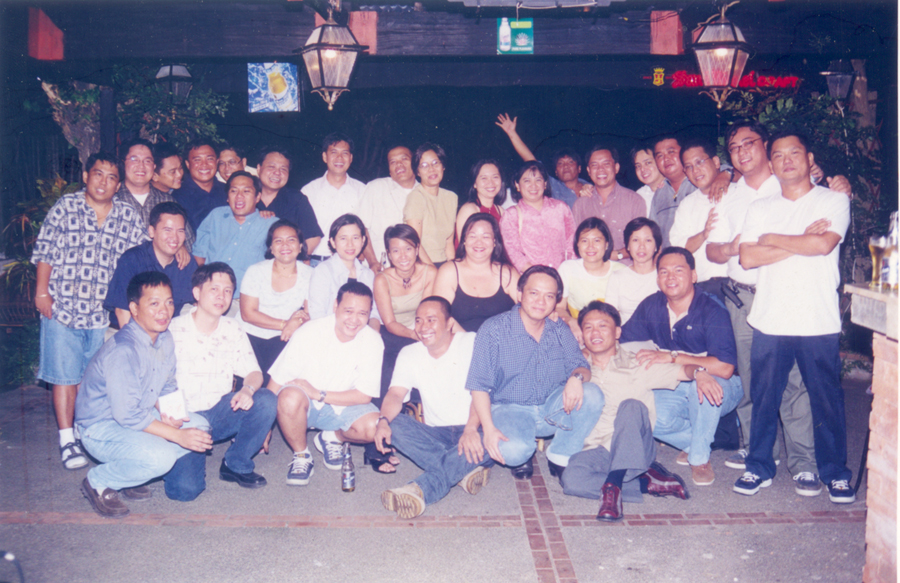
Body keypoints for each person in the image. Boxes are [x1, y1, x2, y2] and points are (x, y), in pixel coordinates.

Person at [707, 121, 850, 490]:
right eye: (779, 156)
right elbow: (749, 258)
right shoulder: (762, 207)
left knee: (825, 401)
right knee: (763, 397)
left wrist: (774, 240)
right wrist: (800, 238)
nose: (786, 161)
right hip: (769, 318)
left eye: (794, 153)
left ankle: (834, 473)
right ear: (771, 163)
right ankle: (759, 466)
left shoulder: (833, 200)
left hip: (817, 318)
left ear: (809, 159)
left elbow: (823, 246)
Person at [32, 152, 147, 470]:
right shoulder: (66, 207)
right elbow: (46, 250)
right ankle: (67, 440)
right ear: (86, 176)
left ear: (118, 184)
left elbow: (141, 254)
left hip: (101, 314)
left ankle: (86, 433)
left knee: (90, 378)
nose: (104, 182)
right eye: (98, 174)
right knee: (63, 376)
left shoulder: (126, 215)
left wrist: (178, 252)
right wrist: (42, 292)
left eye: (112, 178)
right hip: (62, 307)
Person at [74, 272, 212, 518]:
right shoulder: (123, 351)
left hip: (138, 412)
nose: (164, 311)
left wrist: (173, 415)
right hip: (101, 427)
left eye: (169, 302)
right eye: (154, 303)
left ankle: (134, 470)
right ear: (134, 309)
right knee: (163, 456)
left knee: (200, 427)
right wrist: (177, 435)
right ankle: (99, 481)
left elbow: (167, 384)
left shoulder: (164, 337)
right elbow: (127, 415)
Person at [620, 247, 743, 487]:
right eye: (664, 272)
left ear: (694, 276)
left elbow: (725, 368)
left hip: (722, 383)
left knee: (705, 388)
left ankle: (699, 459)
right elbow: (625, 340)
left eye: (678, 270)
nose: (670, 277)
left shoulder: (711, 309)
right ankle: (698, 441)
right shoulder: (652, 305)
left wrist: (672, 356)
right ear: (657, 279)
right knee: (648, 413)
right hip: (677, 381)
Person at [468, 265, 604, 480]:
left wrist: (576, 378)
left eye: (549, 296)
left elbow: (581, 366)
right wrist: (487, 428)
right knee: (511, 453)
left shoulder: (558, 328)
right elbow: (478, 384)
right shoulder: (494, 329)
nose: (541, 302)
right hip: (511, 408)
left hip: (553, 404)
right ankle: (522, 449)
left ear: (555, 301)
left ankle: (560, 453)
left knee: (593, 393)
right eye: (534, 293)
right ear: (520, 294)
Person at [560, 301, 691, 521]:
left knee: (631, 406)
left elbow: (684, 371)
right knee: (571, 480)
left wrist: (701, 372)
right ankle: (647, 482)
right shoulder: (576, 367)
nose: (595, 332)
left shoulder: (638, 362)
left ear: (617, 331)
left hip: (637, 446)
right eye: (589, 327)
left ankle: (611, 491)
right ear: (582, 334)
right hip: (598, 449)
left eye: (603, 326)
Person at [164, 262, 277, 500]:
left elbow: (255, 373)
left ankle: (235, 463)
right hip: (184, 419)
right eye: (214, 289)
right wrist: (174, 428)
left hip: (219, 412)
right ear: (196, 293)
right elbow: (159, 384)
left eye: (227, 291)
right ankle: (161, 455)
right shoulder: (173, 330)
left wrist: (247, 389)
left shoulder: (232, 328)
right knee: (185, 491)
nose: (221, 296)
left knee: (265, 399)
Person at [376, 297, 491, 518]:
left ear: (449, 323)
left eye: (431, 320)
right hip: (435, 433)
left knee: (494, 436)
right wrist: (382, 422)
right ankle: (461, 471)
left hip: (475, 429)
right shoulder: (409, 353)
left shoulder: (471, 342)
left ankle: (419, 490)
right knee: (393, 423)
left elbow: (482, 389)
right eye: (419, 320)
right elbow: (395, 394)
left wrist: (469, 429)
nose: (423, 327)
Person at [267, 281, 384, 486]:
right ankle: (302, 455)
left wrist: (318, 393)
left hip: (342, 405)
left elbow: (364, 395)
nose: (354, 320)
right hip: (304, 404)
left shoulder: (373, 341)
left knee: (375, 427)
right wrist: (264, 426)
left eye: (362, 313)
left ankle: (332, 437)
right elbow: (278, 378)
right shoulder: (310, 331)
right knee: (288, 396)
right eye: (348, 311)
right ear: (335, 306)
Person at [368, 224, 438, 472]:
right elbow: (390, 322)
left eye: (408, 249)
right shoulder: (382, 279)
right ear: (387, 253)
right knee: (385, 373)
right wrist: (414, 336)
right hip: (397, 334)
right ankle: (376, 447)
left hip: (426, 329)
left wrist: (423, 334)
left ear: (417, 248)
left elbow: (429, 310)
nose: (403, 256)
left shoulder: (430, 272)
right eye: (395, 251)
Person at [238, 220, 313, 386]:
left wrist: (297, 322)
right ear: (271, 248)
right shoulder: (255, 271)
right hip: (250, 335)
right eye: (278, 241)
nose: (285, 245)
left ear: (300, 246)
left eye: (291, 240)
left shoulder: (310, 275)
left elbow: (309, 314)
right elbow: (248, 314)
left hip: (284, 337)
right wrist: (286, 323)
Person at [193, 171, 278, 311]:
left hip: (248, 301)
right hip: (210, 297)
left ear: (258, 197)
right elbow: (199, 254)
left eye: (246, 191)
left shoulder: (271, 224)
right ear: (227, 197)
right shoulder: (216, 216)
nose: (239, 196)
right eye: (234, 191)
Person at [105, 201, 198, 327]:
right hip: (129, 332)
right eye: (168, 230)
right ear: (152, 231)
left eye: (180, 231)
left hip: (168, 333)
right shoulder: (132, 259)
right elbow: (122, 312)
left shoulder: (187, 263)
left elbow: (195, 305)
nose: (174, 237)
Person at [434, 213, 519, 333]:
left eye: (486, 237)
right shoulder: (449, 271)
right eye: (472, 236)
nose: (479, 243)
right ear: (464, 240)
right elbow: (439, 314)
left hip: (502, 344)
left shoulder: (507, 273)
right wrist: (469, 342)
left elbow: (527, 307)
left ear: (495, 242)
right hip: (461, 343)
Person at [669, 139, 730, 302]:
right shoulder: (687, 204)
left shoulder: (736, 192)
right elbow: (679, 249)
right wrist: (704, 234)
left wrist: (729, 173)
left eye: (700, 162)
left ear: (716, 162)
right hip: (701, 288)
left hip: (734, 284)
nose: (695, 170)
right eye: (688, 166)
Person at [115, 138, 194, 252]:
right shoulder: (112, 199)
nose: (141, 166)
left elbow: (189, 242)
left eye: (147, 161)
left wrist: (182, 247)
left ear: (154, 166)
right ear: (123, 163)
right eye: (134, 159)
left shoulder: (167, 201)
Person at [495, 113, 589, 208]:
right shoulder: (553, 186)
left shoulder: (591, 186)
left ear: (579, 168)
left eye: (570, 162)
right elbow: (530, 159)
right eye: (560, 163)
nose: (565, 166)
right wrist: (512, 133)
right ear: (556, 172)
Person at [556, 217, 625, 341]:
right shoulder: (567, 268)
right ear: (577, 244)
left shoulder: (621, 271)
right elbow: (558, 308)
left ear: (606, 244)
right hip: (579, 335)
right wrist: (571, 321)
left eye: (597, 240)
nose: (590, 246)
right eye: (584, 241)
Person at [500, 161, 576, 273]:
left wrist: (568, 270)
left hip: (563, 276)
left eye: (538, 180)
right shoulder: (511, 215)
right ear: (517, 185)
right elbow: (512, 252)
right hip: (531, 279)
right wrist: (535, 274)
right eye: (527, 181)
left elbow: (572, 242)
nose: (533, 185)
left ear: (545, 184)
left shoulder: (561, 208)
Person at [571, 146, 646, 259]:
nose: (600, 169)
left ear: (616, 167)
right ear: (589, 171)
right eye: (594, 165)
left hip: (624, 270)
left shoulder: (635, 200)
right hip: (591, 271)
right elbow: (575, 244)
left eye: (606, 164)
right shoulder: (580, 205)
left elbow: (641, 242)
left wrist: (617, 255)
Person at [302, 133, 366, 265]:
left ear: (351, 158)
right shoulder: (309, 191)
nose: (339, 158)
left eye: (344, 153)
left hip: (352, 262)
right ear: (325, 156)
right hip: (317, 262)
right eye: (334, 152)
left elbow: (367, 229)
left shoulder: (363, 190)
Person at [308, 214, 380, 326]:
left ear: (363, 240)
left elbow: (374, 314)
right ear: (333, 242)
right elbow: (317, 316)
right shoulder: (322, 272)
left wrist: (373, 335)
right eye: (343, 238)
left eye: (355, 238)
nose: (350, 244)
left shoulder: (368, 275)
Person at [355, 145, 419, 270]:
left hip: (418, 272)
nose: (399, 164)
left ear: (415, 164)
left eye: (404, 159)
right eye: (393, 162)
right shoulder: (376, 188)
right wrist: (373, 262)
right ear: (389, 170)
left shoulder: (425, 193)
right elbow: (360, 227)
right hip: (381, 270)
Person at [255, 147, 323, 256]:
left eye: (283, 169)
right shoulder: (246, 196)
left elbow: (313, 237)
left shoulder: (297, 199)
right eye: (271, 167)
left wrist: (294, 261)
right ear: (259, 168)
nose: (277, 172)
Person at [403, 143, 458, 265]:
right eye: (424, 165)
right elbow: (414, 242)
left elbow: (449, 242)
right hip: (422, 264)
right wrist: (432, 270)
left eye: (435, 163)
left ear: (443, 166)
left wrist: (453, 268)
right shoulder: (416, 197)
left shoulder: (451, 197)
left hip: (443, 263)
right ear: (418, 172)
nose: (431, 169)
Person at [605, 217, 663, 325]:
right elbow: (609, 316)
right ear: (628, 246)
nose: (641, 246)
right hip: (626, 338)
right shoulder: (617, 277)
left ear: (656, 246)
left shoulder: (663, 276)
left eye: (648, 240)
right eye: (635, 240)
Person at [173, 140, 225, 232]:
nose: (204, 164)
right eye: (197, 160)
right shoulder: (178, 197)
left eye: (209, 159)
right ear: (188, 164)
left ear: (217, 162)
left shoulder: (228, 191)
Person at [455, 159, 506, 242]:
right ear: (474, 183)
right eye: (484, 178)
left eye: (495, 177)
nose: (491, 182)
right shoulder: (469, 210)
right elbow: (465, 247)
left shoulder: (501, 211)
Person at [631, 145, 665, 212]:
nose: (642, 169)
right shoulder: (639, 196)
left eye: (648, 163)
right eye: (638, 166)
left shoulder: (674, 187)